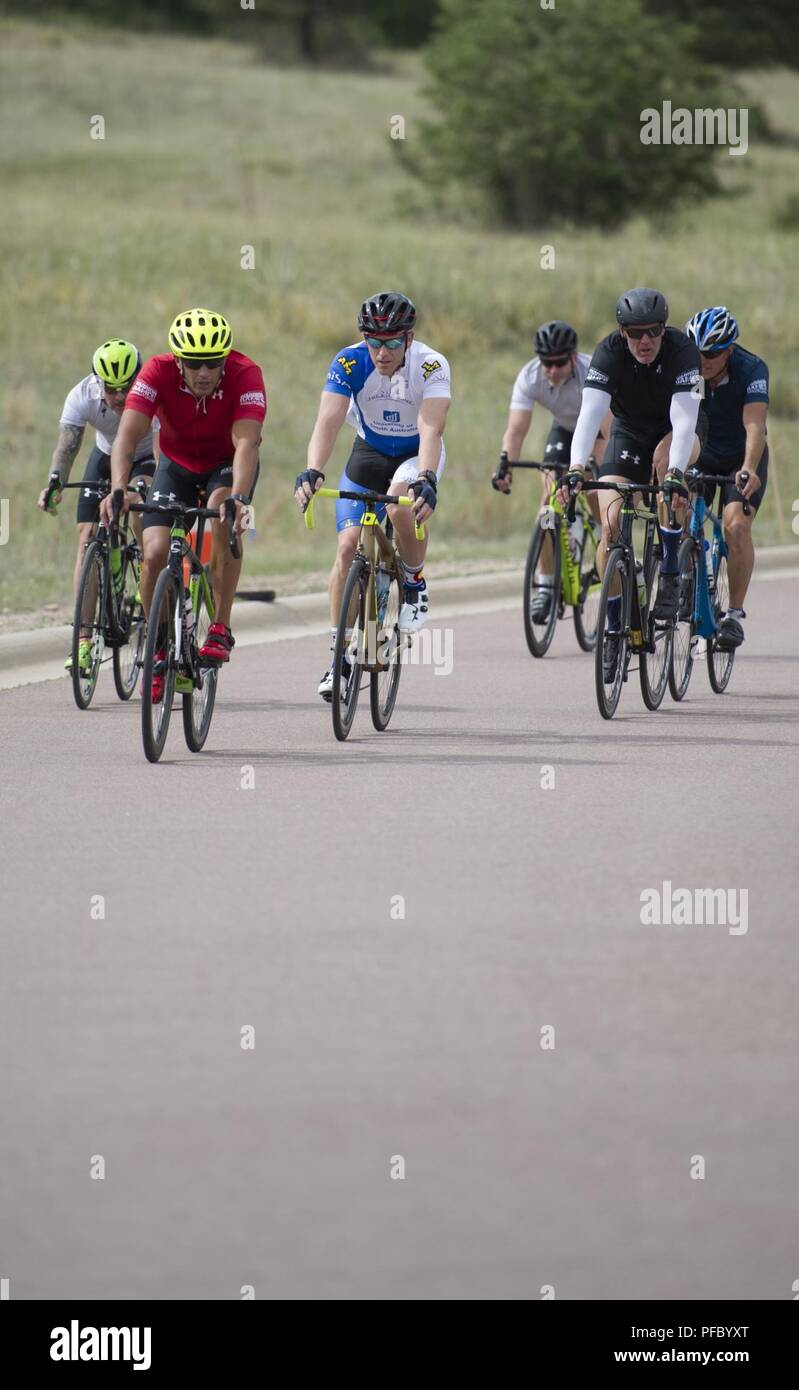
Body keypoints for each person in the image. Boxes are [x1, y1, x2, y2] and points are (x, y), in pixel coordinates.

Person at [99, 308, 265, 698]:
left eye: (212, 363)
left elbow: (247, 442)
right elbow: (126, 438)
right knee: (154, 552)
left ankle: (221, 626)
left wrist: (240, 498)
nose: (204, 372)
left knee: (224, 516)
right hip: (176, 465)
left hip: (226, 466)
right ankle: (158, 649)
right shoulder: (155, 372)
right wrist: (119, 488)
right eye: (194, 364)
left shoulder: (245, 374)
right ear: (178, 361)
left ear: (225, 359)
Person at [294, 290, 451, 701]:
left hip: (416, 454)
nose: (382, 352)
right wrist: (313, 469)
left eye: (393, 342)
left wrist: (429, 478)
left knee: (401, 504)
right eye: (374, 342)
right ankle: (339, 660)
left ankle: (414, 582)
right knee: (346, 548)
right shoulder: (349, 360)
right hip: (368, 451)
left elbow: (432, 429)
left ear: (410, 339)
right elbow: (327, 421)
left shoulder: (431, 365)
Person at [559, 287, 703, 680]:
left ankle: (671, 570)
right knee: (609, 521)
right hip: (628, 431)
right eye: (636, 333)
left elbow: (685, 417)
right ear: (622, 332)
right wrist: (575, 467)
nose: (645, 341)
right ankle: (611, 629)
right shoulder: (608, 353)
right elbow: (590, 414)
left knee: (664, 470)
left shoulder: (682, 351)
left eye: (653, 332)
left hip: (676, 431)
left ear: (664, 328)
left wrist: (675, 472)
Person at [37, 339, 156, 672]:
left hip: (145, 459)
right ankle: (84, 641)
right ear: (97, 382)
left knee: (140, 520)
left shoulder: (154, 394)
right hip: (104, 457)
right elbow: (67, 446)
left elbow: (163, 452)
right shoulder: (81, 395)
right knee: (87, 536)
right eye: (111, 388)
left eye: (126, 387)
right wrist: (55, 481)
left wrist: (139, 491)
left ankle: (149, 576)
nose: (119, 397)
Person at [491, 319, 609, 621]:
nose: (552, 370)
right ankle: (544, 585)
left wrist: (589, 466)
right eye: (547, 363)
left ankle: (604, 537)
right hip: (564, 430)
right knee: (547, 506)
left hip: (601, 430)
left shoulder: (592, 373)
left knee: (591, 484)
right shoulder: (530, 376)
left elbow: (606, 430)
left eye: (559, 363)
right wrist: (506, 464)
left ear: (573, 357)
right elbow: (515, 431)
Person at [680, 306, 768, 650]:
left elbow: (755, 425)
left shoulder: (752, 368)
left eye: (712, 353)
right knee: (676, 506)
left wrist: (748, 466)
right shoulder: (686, 370)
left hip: (739, 456)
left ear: (730, 349)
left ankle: (733, 614)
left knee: (735, 526)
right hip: (700, 451)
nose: (703, 360)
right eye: (696, 351)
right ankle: (686, 571)